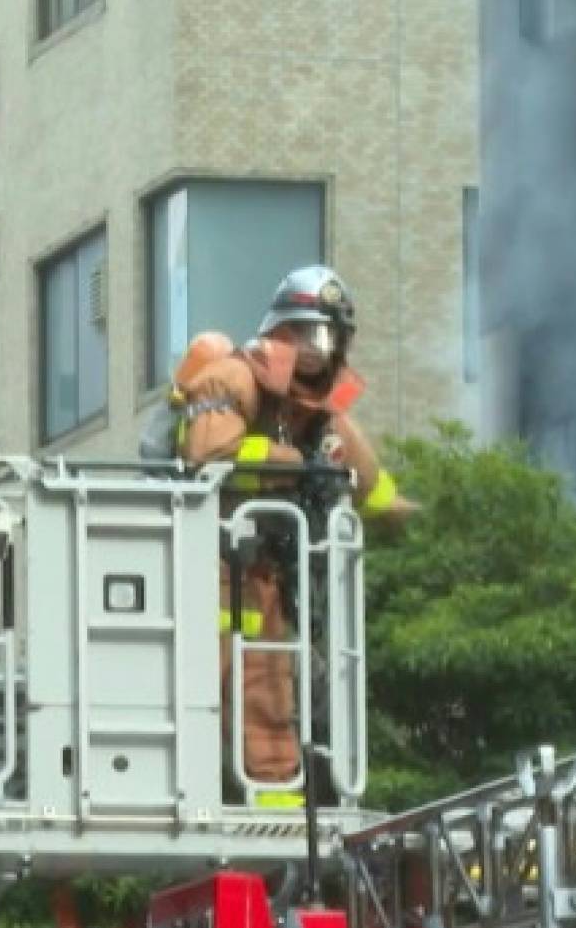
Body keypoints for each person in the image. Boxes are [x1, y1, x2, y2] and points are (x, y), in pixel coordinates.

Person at [178, 266, 416, 804]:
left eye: (328, 337)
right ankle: (251, 795)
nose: (317, 350)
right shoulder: (231, 379)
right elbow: (207, 453)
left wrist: (403, 514)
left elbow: (365, 478)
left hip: (261, 567)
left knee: (270, 682)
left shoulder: (316, 413)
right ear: (280, 332)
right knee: (241, 675)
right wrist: (296, 465)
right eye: (308, 334)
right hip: (210, 560)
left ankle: (281, 801)